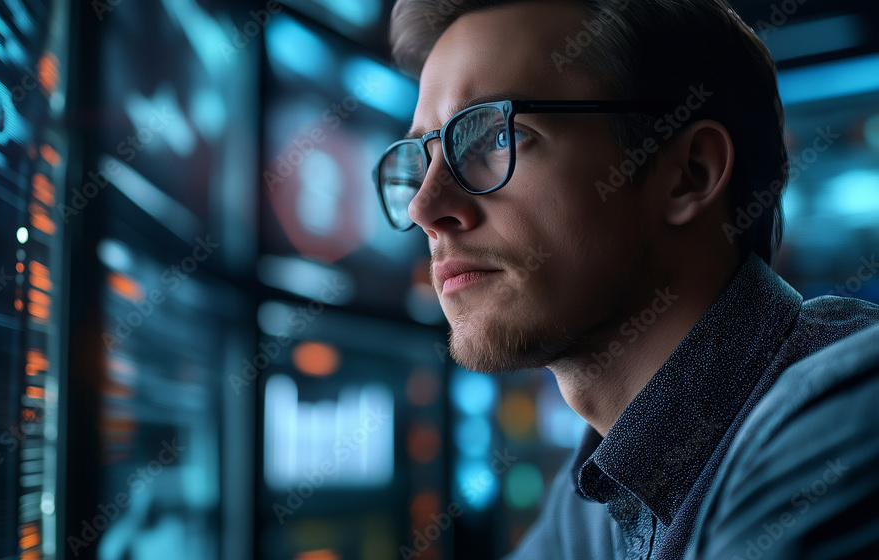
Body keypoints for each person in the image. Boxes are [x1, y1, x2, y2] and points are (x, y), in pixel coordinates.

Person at [373, 0, 879, 558]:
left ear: (690, 174)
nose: (425, 206)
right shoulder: (597, 497)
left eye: (496, 137)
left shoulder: (842, 421)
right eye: (420, 159)